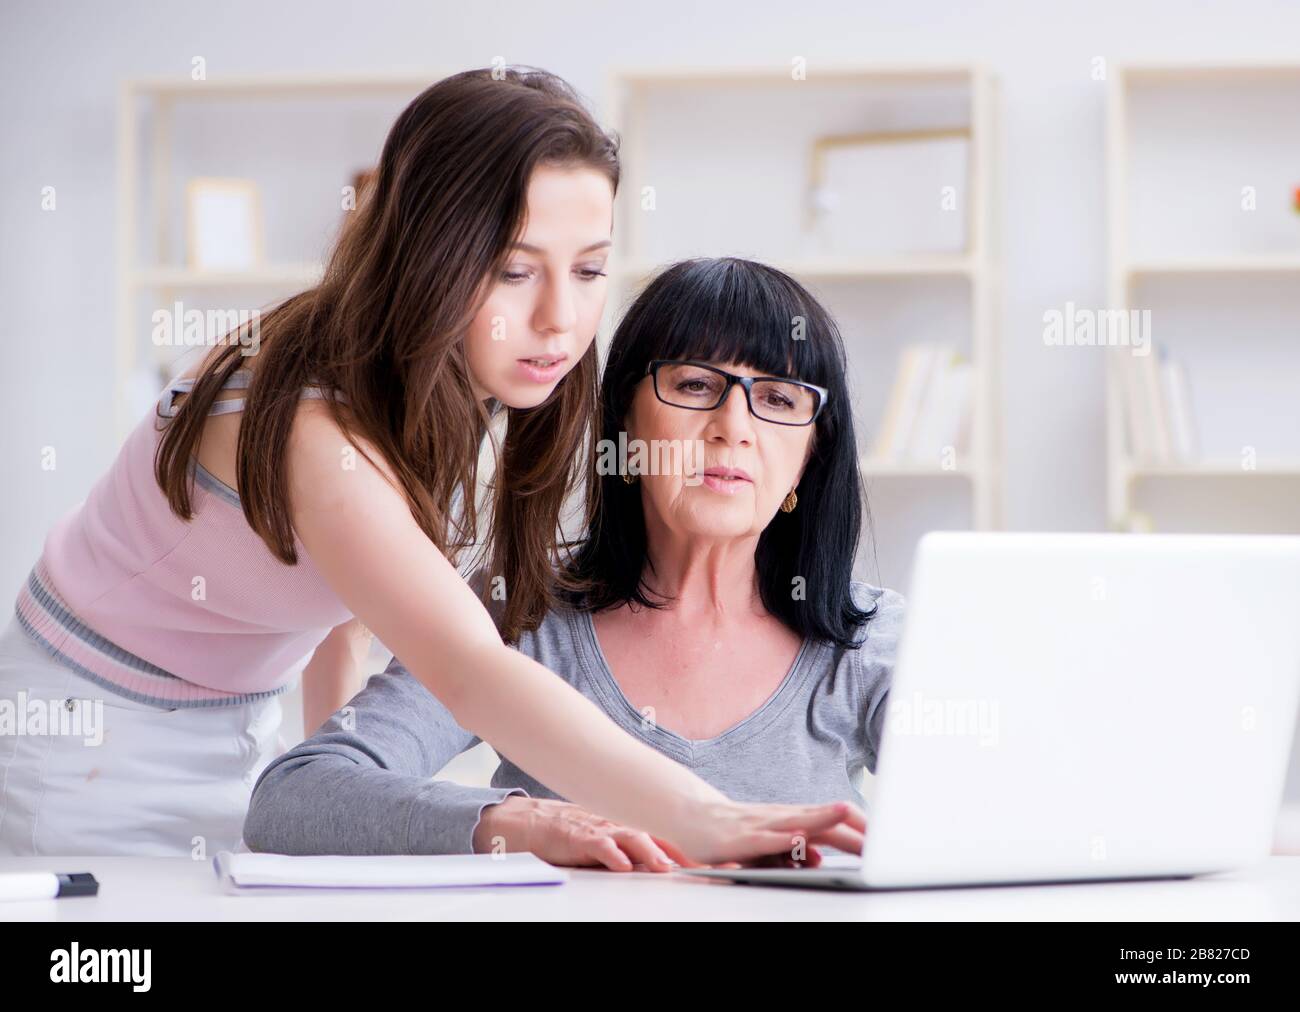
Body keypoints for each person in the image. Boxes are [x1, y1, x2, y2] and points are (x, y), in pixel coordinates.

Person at [0, 68, 861, 862]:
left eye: (591, 268)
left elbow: (341, 611)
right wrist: (703, 817)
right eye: (514, 270)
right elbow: (472, 672)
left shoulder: (457, 377)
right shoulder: (312, 422)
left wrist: (325, 778)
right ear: (432, 254)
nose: (563, 318)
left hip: (236, 721)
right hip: (88, 739)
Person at [244, 258, 903, 871]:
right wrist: (518, 824)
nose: (734, 427)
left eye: (780, 399)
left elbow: (989, 810)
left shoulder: (869, 640)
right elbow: (298, 797)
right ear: (624, 421)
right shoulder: (523, 611)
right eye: (696, 385)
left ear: (812, 453)